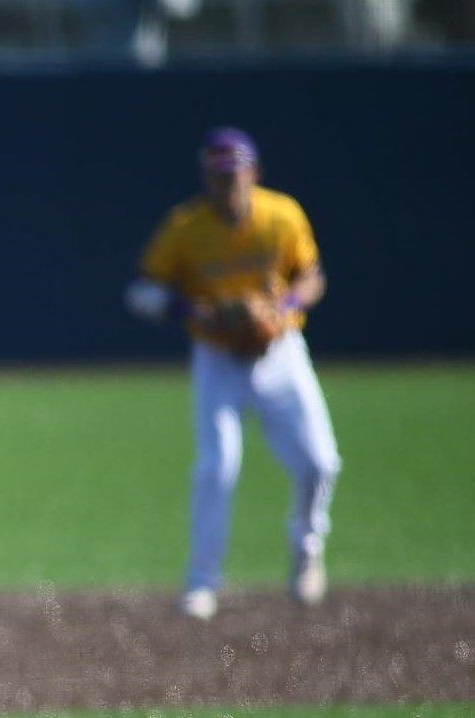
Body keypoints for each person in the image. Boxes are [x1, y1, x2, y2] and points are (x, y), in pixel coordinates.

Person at [123, 128, 340, 621]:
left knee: (321, 462)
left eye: (235, 174)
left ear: (254, 173)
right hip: (218, 356)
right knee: (217, 466)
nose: (227, 185)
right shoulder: (186, 227)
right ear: (206, 177)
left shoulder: (281, 215)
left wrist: (281, 306)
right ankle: (201, 582)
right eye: (218, 176)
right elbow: (140, 290)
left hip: (280, 351)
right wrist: (188, 308)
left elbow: (312, 276)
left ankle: (307, 548)